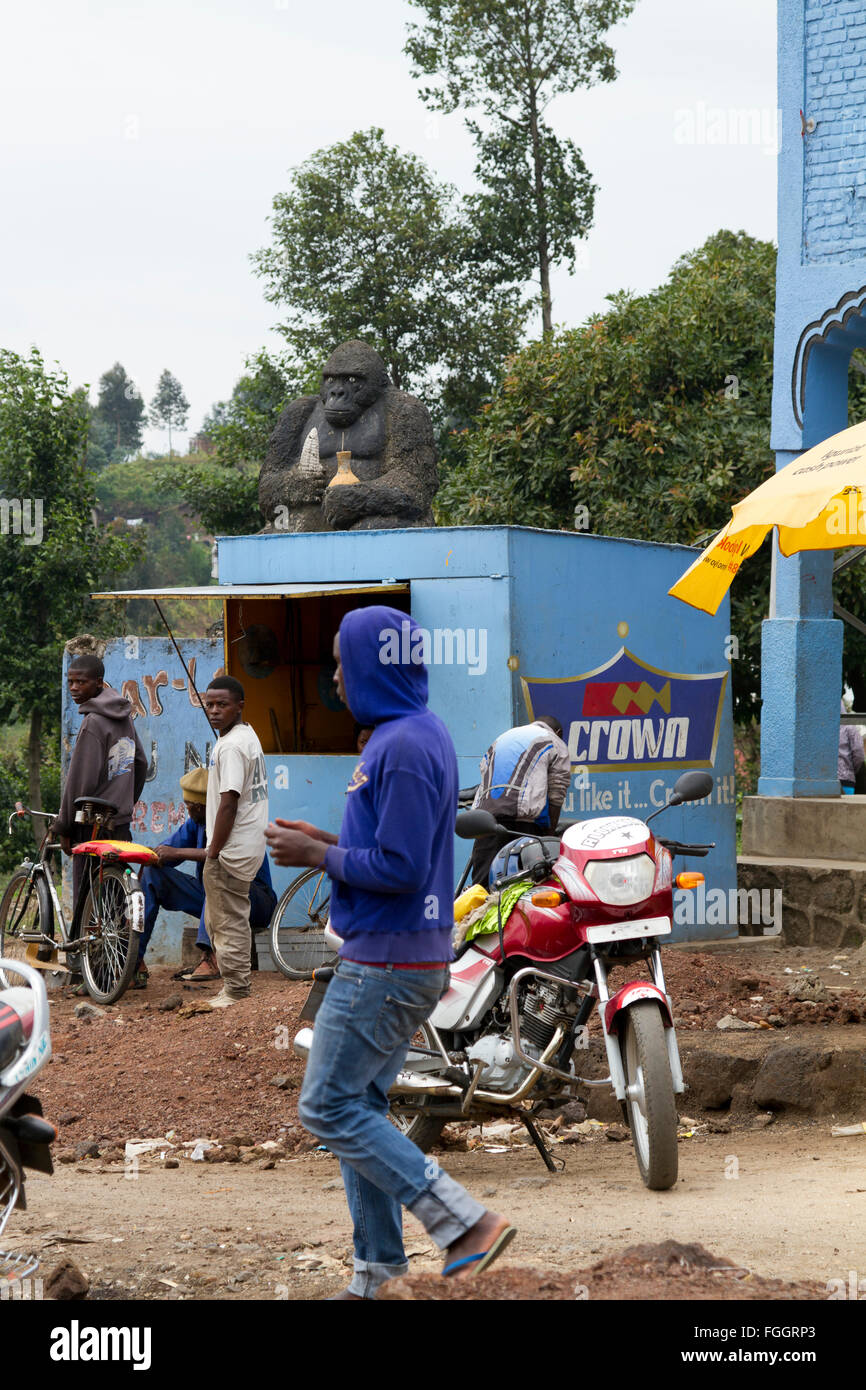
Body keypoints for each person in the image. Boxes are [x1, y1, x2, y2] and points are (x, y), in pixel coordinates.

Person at [265, 605, 515, 1300]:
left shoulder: (400, 746)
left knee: (326, 1108)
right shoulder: (413, 734)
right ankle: (377, 1275)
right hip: (403, 953)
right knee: (361, 1109)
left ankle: (462, 1223)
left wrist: (318, 854)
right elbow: (390, 848)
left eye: (344, 664)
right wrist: (330, 844)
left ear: (375, 665)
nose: (337, 678)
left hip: (385, 961)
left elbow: (401, 867)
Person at [134, 767, 277, 990]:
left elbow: (221, 858)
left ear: (200, 807)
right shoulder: (197, 823)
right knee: (153, 875)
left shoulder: (235, 821)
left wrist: (178, 853)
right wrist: (150, 856)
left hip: (254, 900)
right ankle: (133, 959)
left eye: (189, 806)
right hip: (214, 899)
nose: (187, 810)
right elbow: (170, 851)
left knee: (216, 874)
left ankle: (211, 957)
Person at [54, 653, 147, 910]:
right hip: (119, 823)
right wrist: (124, 802)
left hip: (92, 824)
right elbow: (140, 763)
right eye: (70, 682)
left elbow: (79, 782)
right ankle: (120, 949)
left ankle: (84, 950)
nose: (73, 687)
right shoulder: (123, 717)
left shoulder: (93, 722)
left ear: (98, 683)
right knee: (115, 897)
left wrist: (63, 826)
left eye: (80, 682)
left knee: (89, 901)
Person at [201, 675, 269, 1009]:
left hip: (230, 850)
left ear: (239, 706)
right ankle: (234, 985)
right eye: (209, 704)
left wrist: (212, 851)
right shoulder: (246, 735)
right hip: (248, 845)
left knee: (228, 922)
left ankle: (236, 990)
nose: (214, 711)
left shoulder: (229, 747)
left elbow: (228, 803)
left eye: (222, 705)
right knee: (224, 918)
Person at [469, 714, 571, 887]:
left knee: (481, 888)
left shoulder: (502, 737)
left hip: (485, 820)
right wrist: (549, 837)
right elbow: (556, 794)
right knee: (529, 884)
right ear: (558, 732)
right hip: (523, 822)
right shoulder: (553, 740)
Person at [838, 698, 865, 794]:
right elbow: (859, 754)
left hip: (822, 779)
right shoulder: (850, 727)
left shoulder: (820, 728)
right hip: (846, 779)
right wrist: (851, 770)